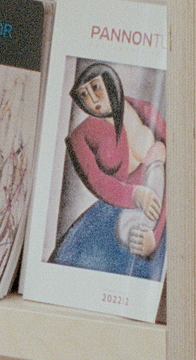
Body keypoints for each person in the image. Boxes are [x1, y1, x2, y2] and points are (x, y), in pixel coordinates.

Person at [54, 63, 166, 278]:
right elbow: (97, 181)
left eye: (95, 87)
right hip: (112, 218)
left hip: (159, 210)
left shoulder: (147, 110)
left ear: (110, 82)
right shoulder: (79, 137)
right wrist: (134, 195)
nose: (92, 100)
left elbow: (173, 173)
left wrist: (155, 235)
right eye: (83, 95)